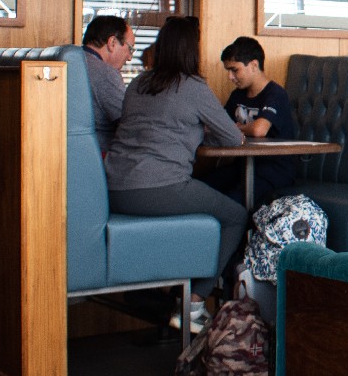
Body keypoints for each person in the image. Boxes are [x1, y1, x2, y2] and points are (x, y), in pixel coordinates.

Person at [104, 17, 246, 323]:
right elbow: (233, 138)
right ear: (192, 49)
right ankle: (193, 304)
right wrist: (204, 129)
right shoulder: (193, 86)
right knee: (236, 216)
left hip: (115, 191)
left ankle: (167, 294)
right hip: (158, 189)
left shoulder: (138, 83)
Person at [202, 37, 296, 208]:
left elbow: (259, 129)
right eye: (228, 71)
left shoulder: (276, 94)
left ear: (254, 65)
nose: (230, 77)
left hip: (273, 170)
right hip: (242, 166)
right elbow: (218, 126)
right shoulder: (237, 95)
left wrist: (235, 128)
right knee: (201, 189)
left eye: (234, 70)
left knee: (230, 202)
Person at [80, 15, 134, 153]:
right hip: (99, 157)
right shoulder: (106, 73)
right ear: (112, 42)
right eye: (130, 49)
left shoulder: (74, 61)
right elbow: (130, 123)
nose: (129, 57)